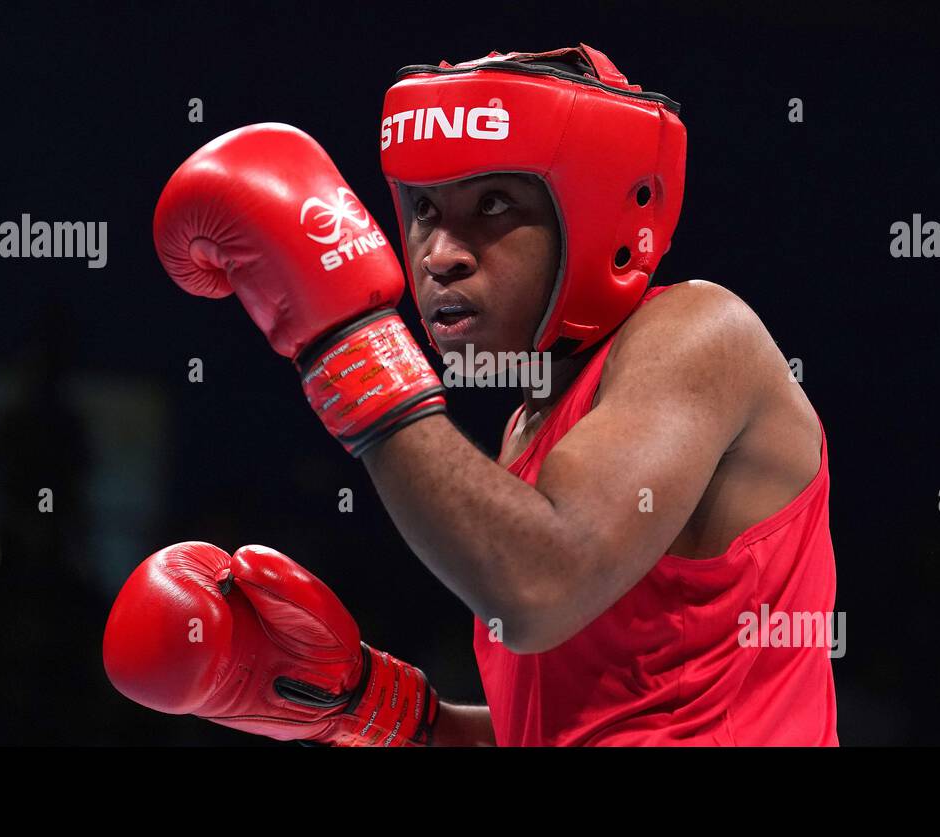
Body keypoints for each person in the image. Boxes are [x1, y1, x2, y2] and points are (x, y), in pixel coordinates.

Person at [105, 44, 838, 746]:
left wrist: (348, 343)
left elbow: (539, 584)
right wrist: (370, 707)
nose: (440, 253)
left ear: (592, 217)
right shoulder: (532, 431)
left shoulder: (700, 331)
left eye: (492, 205)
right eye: (423, 209)